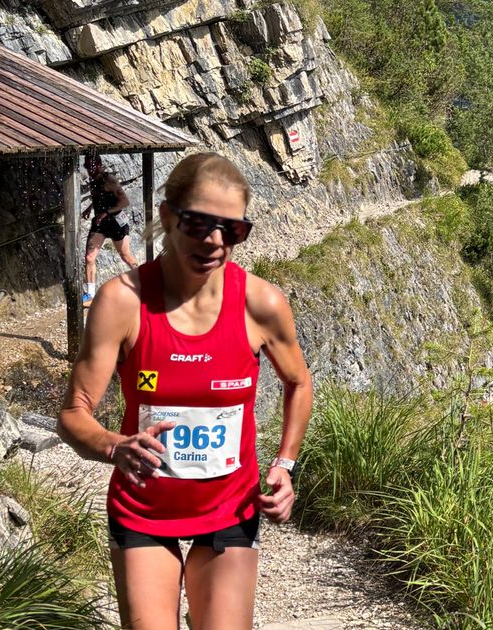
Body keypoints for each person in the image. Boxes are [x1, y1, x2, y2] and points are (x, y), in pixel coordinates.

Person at [58, 152, 313, 630]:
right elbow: (74, 412)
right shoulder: (123, 301)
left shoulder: (261, 303)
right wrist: (114, 447)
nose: (215, 241)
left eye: (232, 230)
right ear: (167, 216)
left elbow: (298, 382)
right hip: (143, 509)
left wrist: (285, 464)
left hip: (230, 507)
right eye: (198, 223)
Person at [82, 154, 137, 306]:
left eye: (92, 166)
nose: (89, 170)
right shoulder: (94, 181)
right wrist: (90, 208)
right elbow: (101, 197)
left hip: (116, 222)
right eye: (87, 167)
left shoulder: (109, 180)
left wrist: (106, 212)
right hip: (100, 223)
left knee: (126, 256)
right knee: (89, 258)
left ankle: (145, 283)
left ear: (99, 165)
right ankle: (90, 294)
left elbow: (124, 201)